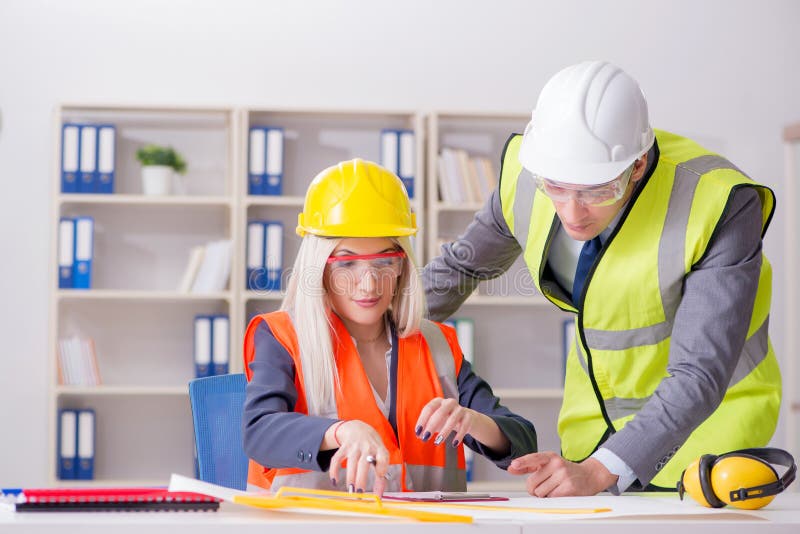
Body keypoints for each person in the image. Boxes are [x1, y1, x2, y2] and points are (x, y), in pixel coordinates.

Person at [423, 60, 781, 496]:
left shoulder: (717, 203)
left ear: (637, 164)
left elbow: (698, 372)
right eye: (555, 186)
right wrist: (361, 323)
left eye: (596, 190)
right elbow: (458, 270)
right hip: (591, 436)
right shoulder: (527, 177)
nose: (572, 213)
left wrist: (601, 469)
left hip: (707, 447)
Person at [242, 158, 537, 495]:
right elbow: (258, 431)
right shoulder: (282, 337)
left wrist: (473, 420)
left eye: (385, 262)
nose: (368, 284)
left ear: (402, 268)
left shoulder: (436, 344)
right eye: (347, 263)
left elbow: (522, 439)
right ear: (319, 267)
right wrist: (340, 432)